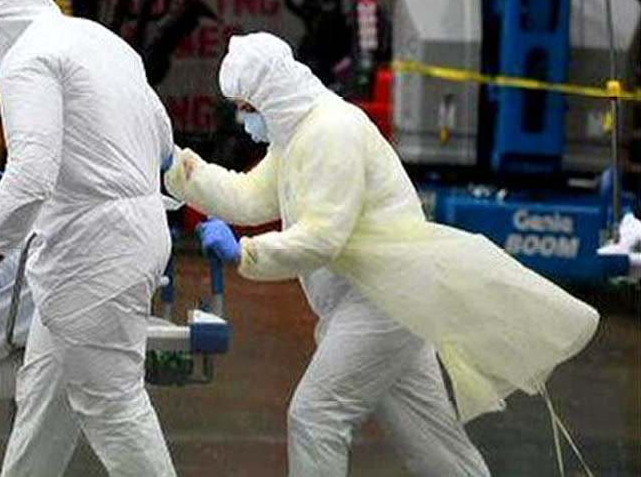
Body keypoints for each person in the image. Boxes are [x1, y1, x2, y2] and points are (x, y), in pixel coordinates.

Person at [166, 32, 600, 477]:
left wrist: (245, 253)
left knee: (316, 416)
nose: (243, 119)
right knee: (433, 442)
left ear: (271, 95)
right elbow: (250, 196)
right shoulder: (296, 135)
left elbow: (322, 237)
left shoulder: (332, 132)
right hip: (391, 299)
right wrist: (178, 169)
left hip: (379, 304)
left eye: (247, 107)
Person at [0, 0, 177, 477]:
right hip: (128, 238)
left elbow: (31, 175)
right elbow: (163, 144)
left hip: (94, 255)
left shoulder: (29, 60)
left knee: (113, 407)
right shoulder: (102, 41)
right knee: (44, 403)